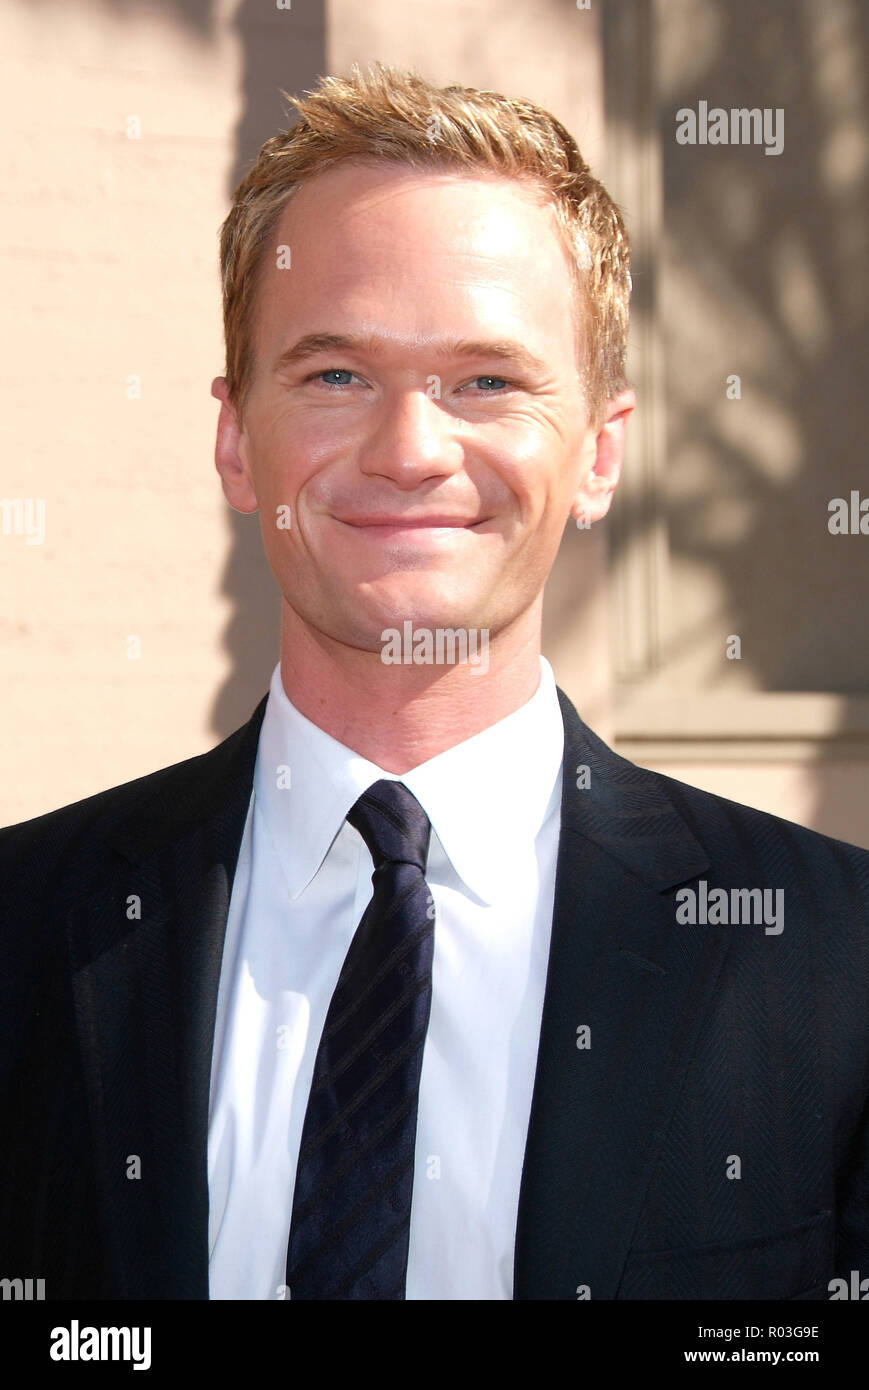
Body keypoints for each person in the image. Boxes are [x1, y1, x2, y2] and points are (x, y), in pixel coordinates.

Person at [1, 63, 867, 1302]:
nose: (408, 451)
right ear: (236, 439)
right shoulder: (26, 930)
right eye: (335, 375)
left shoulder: (835, 961)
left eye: (487, 381)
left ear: (600, 452)